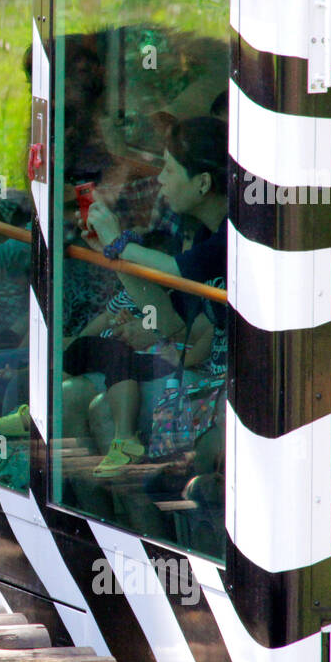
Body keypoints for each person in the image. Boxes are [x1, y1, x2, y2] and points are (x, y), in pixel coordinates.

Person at [68, 116, 228, 475]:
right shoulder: (205, 234)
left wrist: (116, 242)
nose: (159, 179)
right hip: (202, 374)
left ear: (203, 183)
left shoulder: (231, 237)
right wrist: (115, 257)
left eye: (170, 170)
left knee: (100, 411)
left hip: (232, 391)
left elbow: (175, 270)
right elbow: (170, 324)